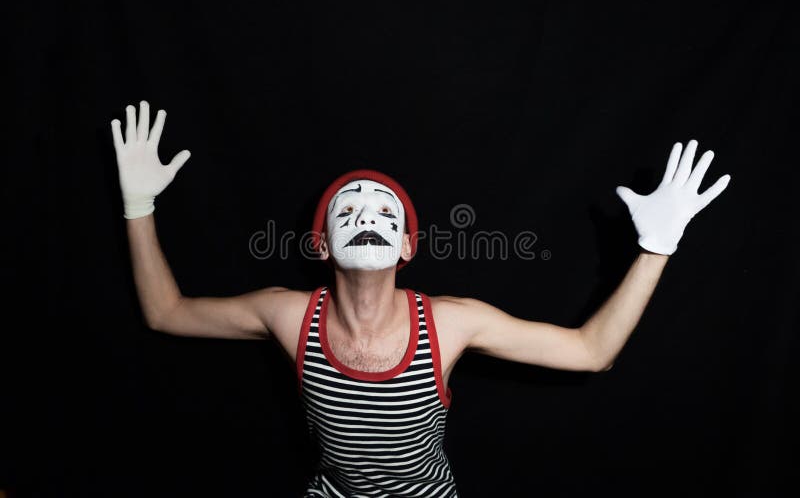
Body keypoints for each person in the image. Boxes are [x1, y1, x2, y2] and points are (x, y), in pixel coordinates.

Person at [111, 100, 731, 497]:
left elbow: (592, 352)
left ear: (408, 246)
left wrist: (657, 247)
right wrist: (139, 205)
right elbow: (166, 313)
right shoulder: (290, 314)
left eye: (383, 211)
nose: (365, 216)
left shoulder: (452, 324)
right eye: (346, 210)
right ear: (319, 243)